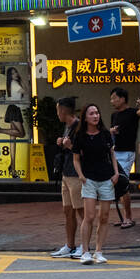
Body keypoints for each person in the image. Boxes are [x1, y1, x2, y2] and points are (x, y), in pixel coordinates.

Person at [74, 103, 119, 264]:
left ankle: (98, 251)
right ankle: (85, 251)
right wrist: (81, 175)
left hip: (106, 178)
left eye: (97, 113)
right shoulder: (80, 136)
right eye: (92, 113)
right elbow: (76, 158)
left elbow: (112, 154)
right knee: (89, 216)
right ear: (85, 117)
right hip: (89, 179)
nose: (95, 116)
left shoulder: (106, 134)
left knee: (104, 216)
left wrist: (116, 172)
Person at [50, 98, 85, 260]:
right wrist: (62, 143)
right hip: (66, 173)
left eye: (58, 111)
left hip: (77, 174)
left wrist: (69, 145)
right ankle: (70, 245)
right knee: (68, 211)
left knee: (81, 211)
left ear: (63, 111)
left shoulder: (79, 127)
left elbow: (86, 151)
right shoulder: (67, 127)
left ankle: (85, 246)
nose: (57, 114)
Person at [109, 87, 139, 227]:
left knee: (123, 183)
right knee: (117, 184)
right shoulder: (114, 115)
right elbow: (110, 132)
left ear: (122, 98)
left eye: (114, 98)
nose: (112, 101)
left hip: (127, 152)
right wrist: (112, 131)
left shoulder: (133, 112)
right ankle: (123, 217)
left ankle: (128, 217)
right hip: (116, 152)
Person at [0, 103, 27, 179]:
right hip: (14, 108)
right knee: (21, 134)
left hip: (13, 108)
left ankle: (12, 168)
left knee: (13, 136)